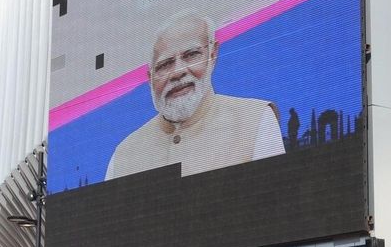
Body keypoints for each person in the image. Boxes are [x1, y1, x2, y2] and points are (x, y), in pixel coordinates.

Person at [105, 12, 286, 181]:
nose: (178, 72)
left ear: (213, 54)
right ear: (150, 78)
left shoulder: (254, 119)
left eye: (191, 55)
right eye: (165, 64)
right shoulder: (124, 154)